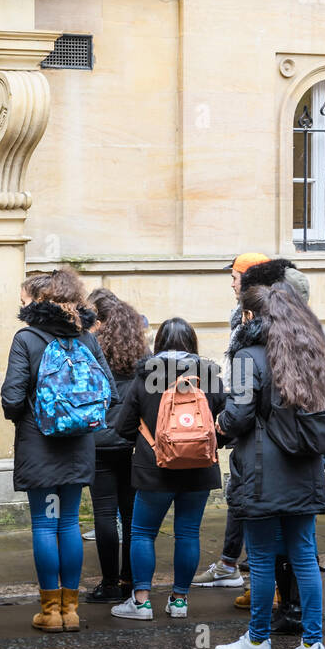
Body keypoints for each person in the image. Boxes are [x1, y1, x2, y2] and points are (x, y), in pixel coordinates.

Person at [214, 282, 325, 649]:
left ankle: (257, 639)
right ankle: (313, 644)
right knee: (304, 554)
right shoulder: (311, 350)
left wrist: (220, 421)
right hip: (305, 467)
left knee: (263, 558)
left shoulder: (249, 356)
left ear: (248, 317)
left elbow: (239, 415)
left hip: (263, 470)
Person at [1, 269, 117, 633]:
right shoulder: (87, 338)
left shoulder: (27, 339)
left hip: (41, 445)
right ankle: (72, 610)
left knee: (44, 524)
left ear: (41, 300)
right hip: (79, 445)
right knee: (69, 522)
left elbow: (11, 398)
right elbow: (109, 392)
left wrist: (32, 417)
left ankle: (50, 611)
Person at [110, 318, 224, 622]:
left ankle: (142, 603)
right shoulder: (210, 374)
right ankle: (179, 600)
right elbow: (225, 424)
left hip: (154, 468)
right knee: (187, 533)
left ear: (159, 343)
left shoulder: (147, 375)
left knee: (143, 532)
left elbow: (122, 426)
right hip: (200, 467)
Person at [193, 252, 268, 592]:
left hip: (259, 431)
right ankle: (232, 564)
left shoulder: (259, 326)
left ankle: (261, 590)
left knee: (251, 499)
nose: (231, 283)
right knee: (242, 495)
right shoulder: (242, 317)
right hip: (252, 424)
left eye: (235, 277)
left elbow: (247, 374)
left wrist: (223, 422)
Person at [85, 292, 147, 603]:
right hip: (133, 441)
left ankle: (109, 583)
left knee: (105, 514)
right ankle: (130, 580)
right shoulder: (141, 354)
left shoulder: (94, 350)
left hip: (99, 440)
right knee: (132, 514)